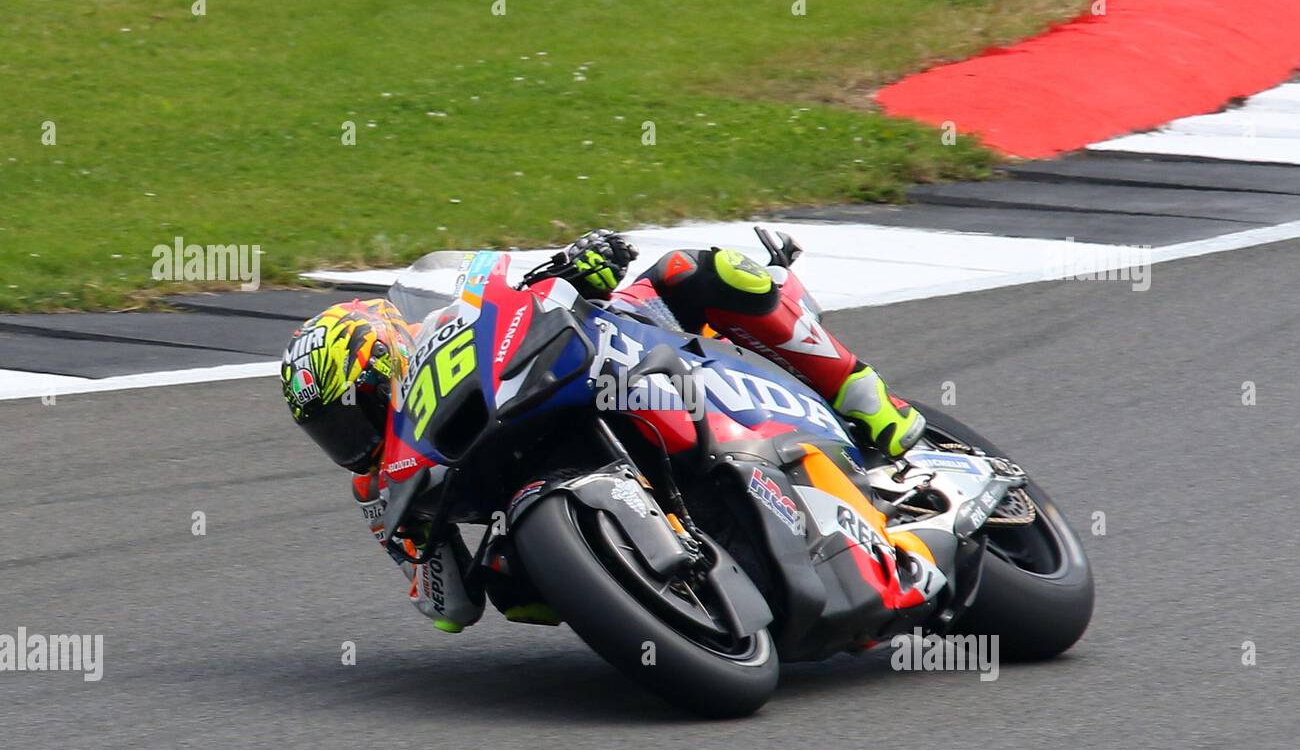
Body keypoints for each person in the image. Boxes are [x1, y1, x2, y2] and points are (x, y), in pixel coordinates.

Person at [280, 230, 925, 631]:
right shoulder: (383, 489)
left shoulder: (451, 330)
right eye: (330, 431)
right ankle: (637, 584)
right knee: (517, 586)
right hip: (533, 489)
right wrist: (445, 558)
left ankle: (864, 399)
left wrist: (577, 264)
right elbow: (448, 610)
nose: (351, 437)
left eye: (354, 409)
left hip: (616, 352)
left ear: (388, 356)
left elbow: (518, 293)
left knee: (695, 270)